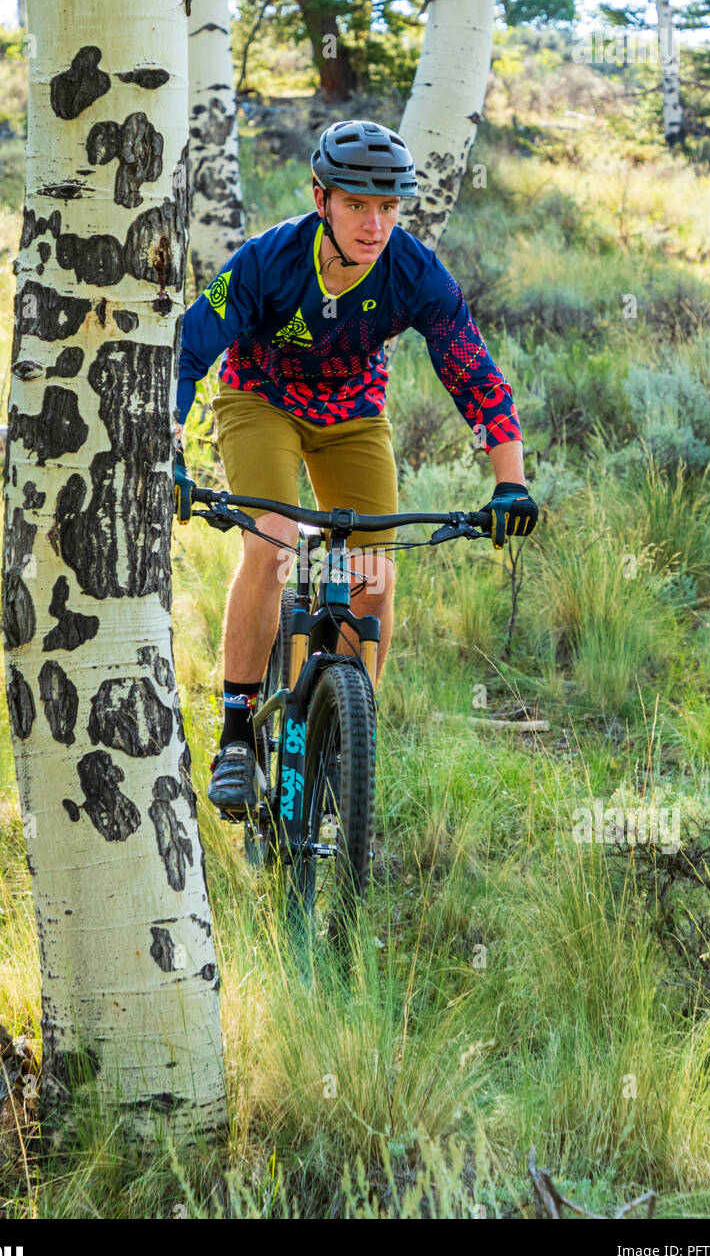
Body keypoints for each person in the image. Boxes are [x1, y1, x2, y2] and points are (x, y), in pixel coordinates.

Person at [172, 119, 538, 815]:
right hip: (260, 402)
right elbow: (191, 350)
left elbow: (473, 373)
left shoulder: (413, 271)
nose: (375, 225)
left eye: (389, 207)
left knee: (374, 577)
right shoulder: (266, 260)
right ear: (321, 199)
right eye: (357, 205)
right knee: (273, 537)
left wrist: (510, 482)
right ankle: (238, 736)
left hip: (353, 418)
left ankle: (345, 736)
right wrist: (171, 454)